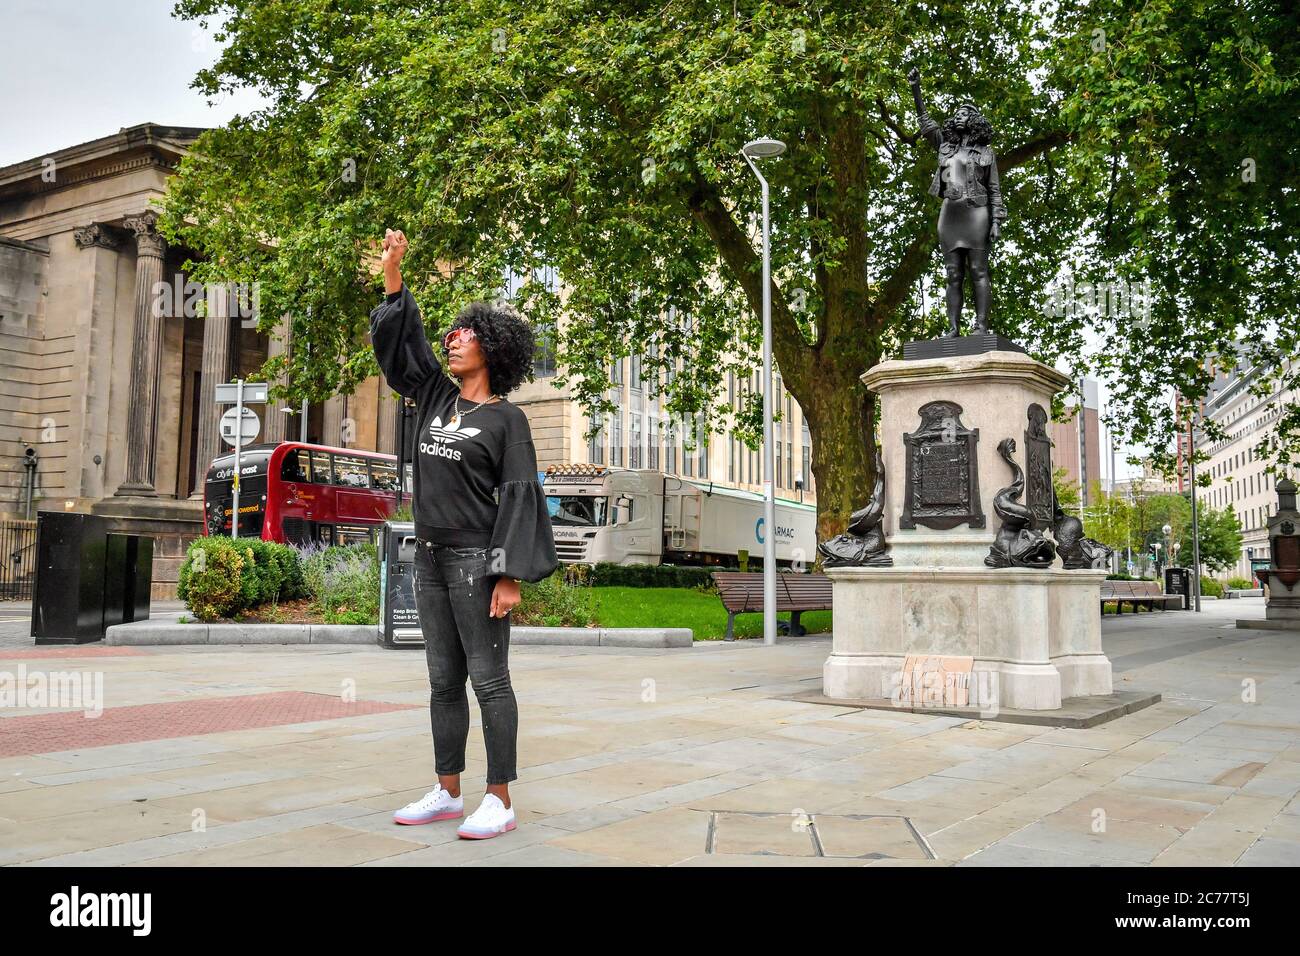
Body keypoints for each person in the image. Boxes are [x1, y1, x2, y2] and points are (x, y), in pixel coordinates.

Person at [370, 228, 558, 840]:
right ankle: (447, 789)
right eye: (452, 333)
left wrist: (508, 574)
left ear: (494, 350)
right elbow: (406, 343)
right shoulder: (432, 398)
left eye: (467, 334)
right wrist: (394, 274)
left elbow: (521, 498)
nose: (454, 340)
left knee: (489, 679)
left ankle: (498, 799)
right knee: (442, 680)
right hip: (428, 556)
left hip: (477, 562)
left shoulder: (508, 421)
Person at [908, 67, 1007, 336]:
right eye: (958, 114)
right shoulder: (944, 146)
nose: (959, 117)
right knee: (953, 274)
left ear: (975, 120)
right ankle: (952, 329)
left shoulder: (986, 153)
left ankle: (981, 326)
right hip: (950, 214)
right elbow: (926, 122)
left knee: (978, 271)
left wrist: (996, 221)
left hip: (977, 214)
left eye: (965, 114)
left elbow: (995, 189)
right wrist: (916, 88)